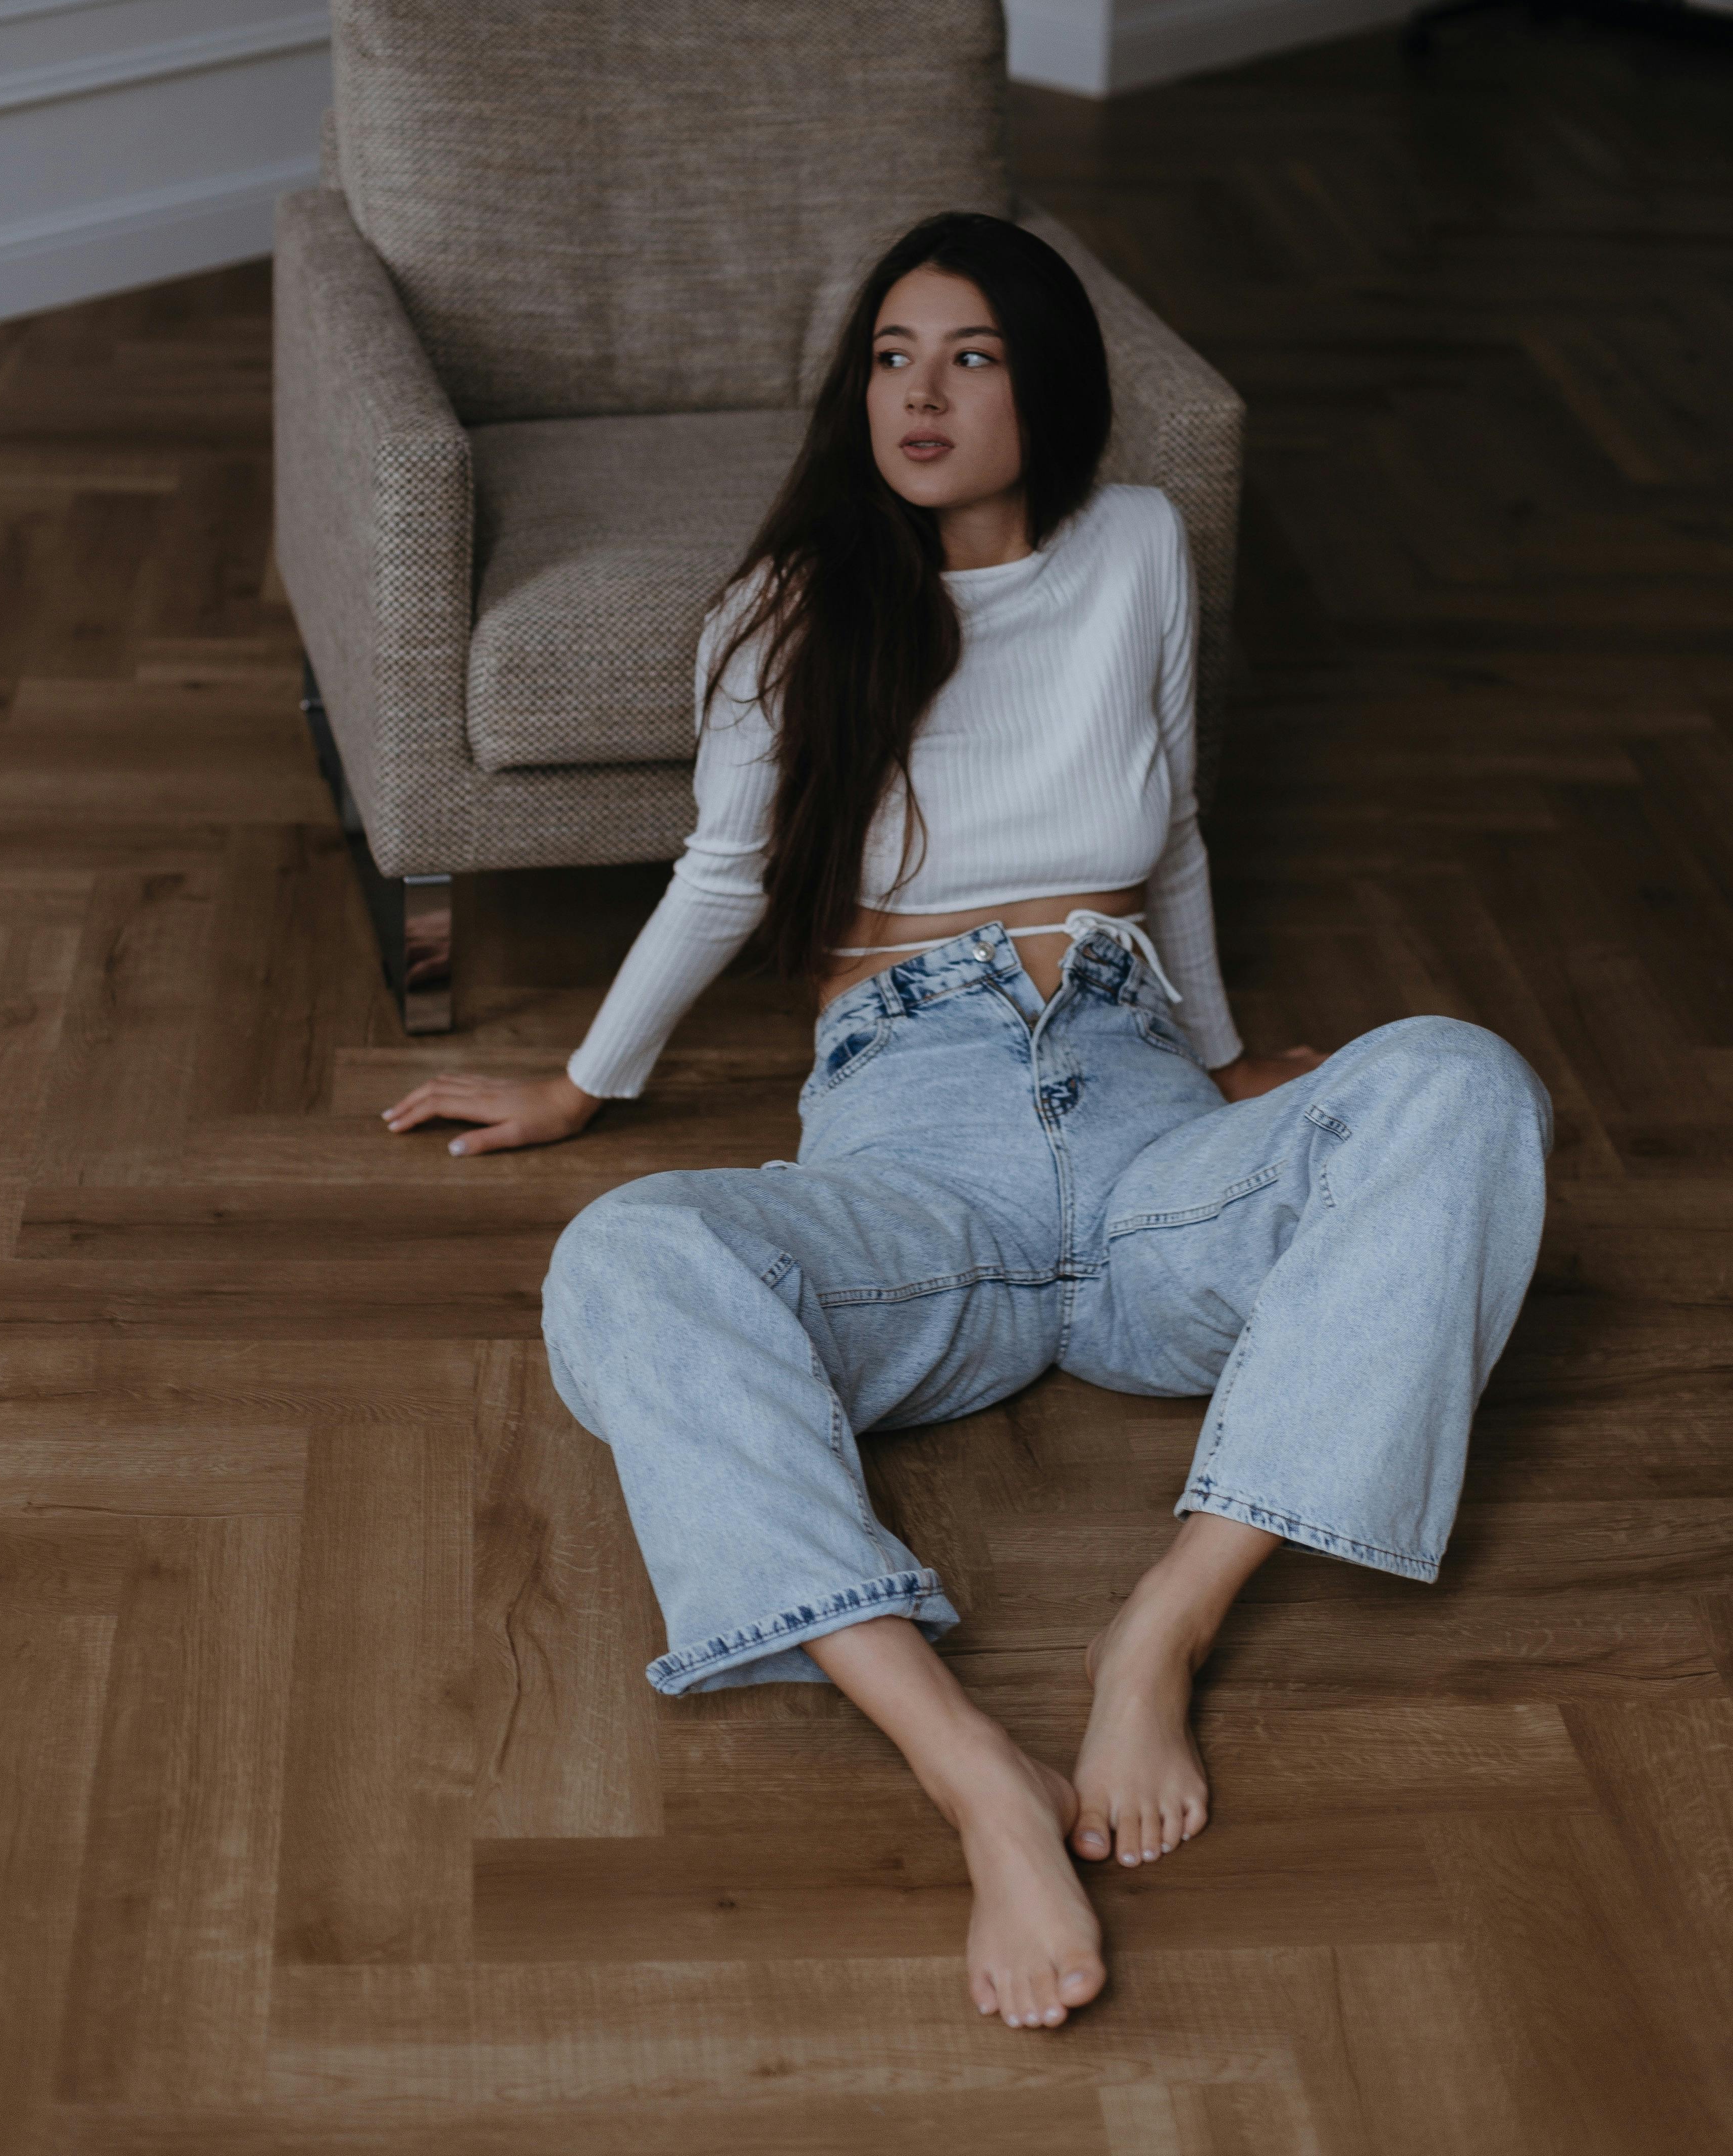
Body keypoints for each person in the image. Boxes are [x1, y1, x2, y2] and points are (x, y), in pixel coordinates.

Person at [382, 213, 1550, 2033]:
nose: (920, 396)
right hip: (923, 1173)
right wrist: (579, 1085)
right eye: (891, 358)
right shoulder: (786, 610)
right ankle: (962, 1764)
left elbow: (1168, 837)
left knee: (1466, 1079)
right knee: (627, 1257)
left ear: (1047, 387)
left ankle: (1162, 1623)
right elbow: (719, 876)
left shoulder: (1141, 548)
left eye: (973, 356)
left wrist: (1234, 1059)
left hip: (1156, 1139)